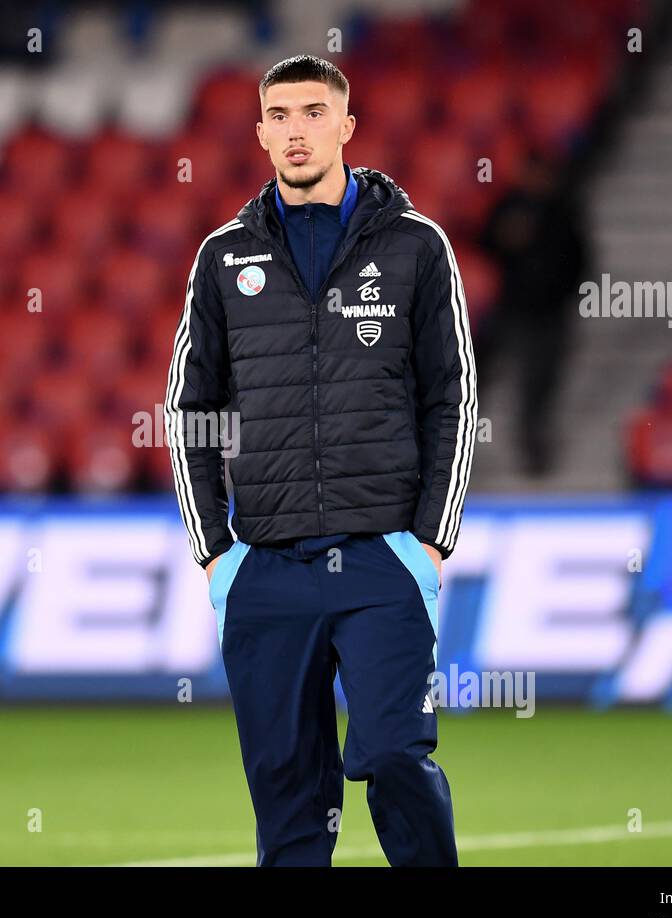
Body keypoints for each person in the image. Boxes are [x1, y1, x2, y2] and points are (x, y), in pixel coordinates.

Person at [165, 55, 477, 866]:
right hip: (266, 568)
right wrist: (216, 554)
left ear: (346, 126)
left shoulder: (415, 245)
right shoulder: (223, 256)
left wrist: (431, 540)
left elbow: (453, 398)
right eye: (280, 116)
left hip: (382, 558)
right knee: (288, 795)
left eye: (313, 112)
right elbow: (190, 409)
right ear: (260, 134)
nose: (296, 131)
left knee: (397, 756)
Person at [477, 149, 588, 475]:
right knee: (482, 374)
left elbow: (578, 258)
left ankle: (533, 450)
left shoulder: (562, 212)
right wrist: (505, 238)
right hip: (512, 310)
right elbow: (486, 244)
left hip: (550, 313)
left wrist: (563, 294)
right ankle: (462, 443)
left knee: (540, 384)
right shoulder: (508, 206)